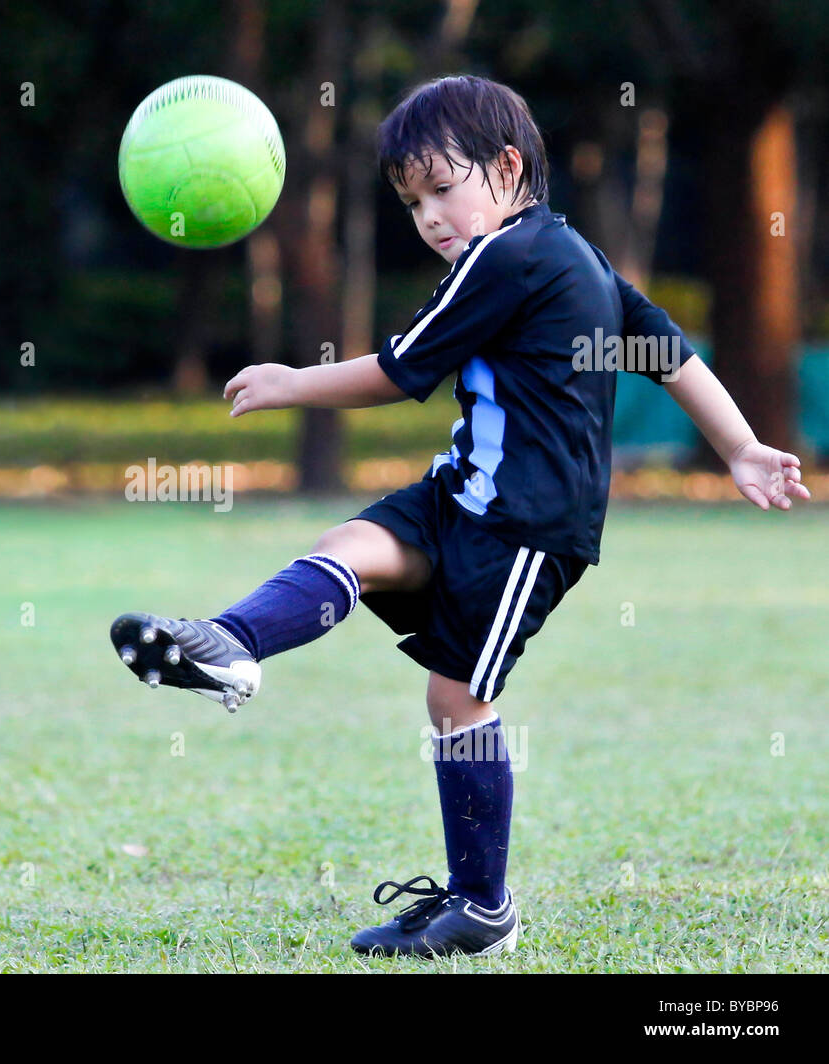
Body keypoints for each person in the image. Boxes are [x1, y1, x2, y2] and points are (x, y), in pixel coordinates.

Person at [108, 74, 811, 958]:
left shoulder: (505, 258)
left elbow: (401, 372)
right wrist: (741, 447)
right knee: (350, 547)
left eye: (443, 189)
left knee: (458, 697)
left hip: (525, 526)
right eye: (412, 202)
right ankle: (234, 647)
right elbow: (668, 352)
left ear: (508, 167)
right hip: (459, 497)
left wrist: (294, 384)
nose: (430, 217)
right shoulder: (574, 255)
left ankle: (482, 906)